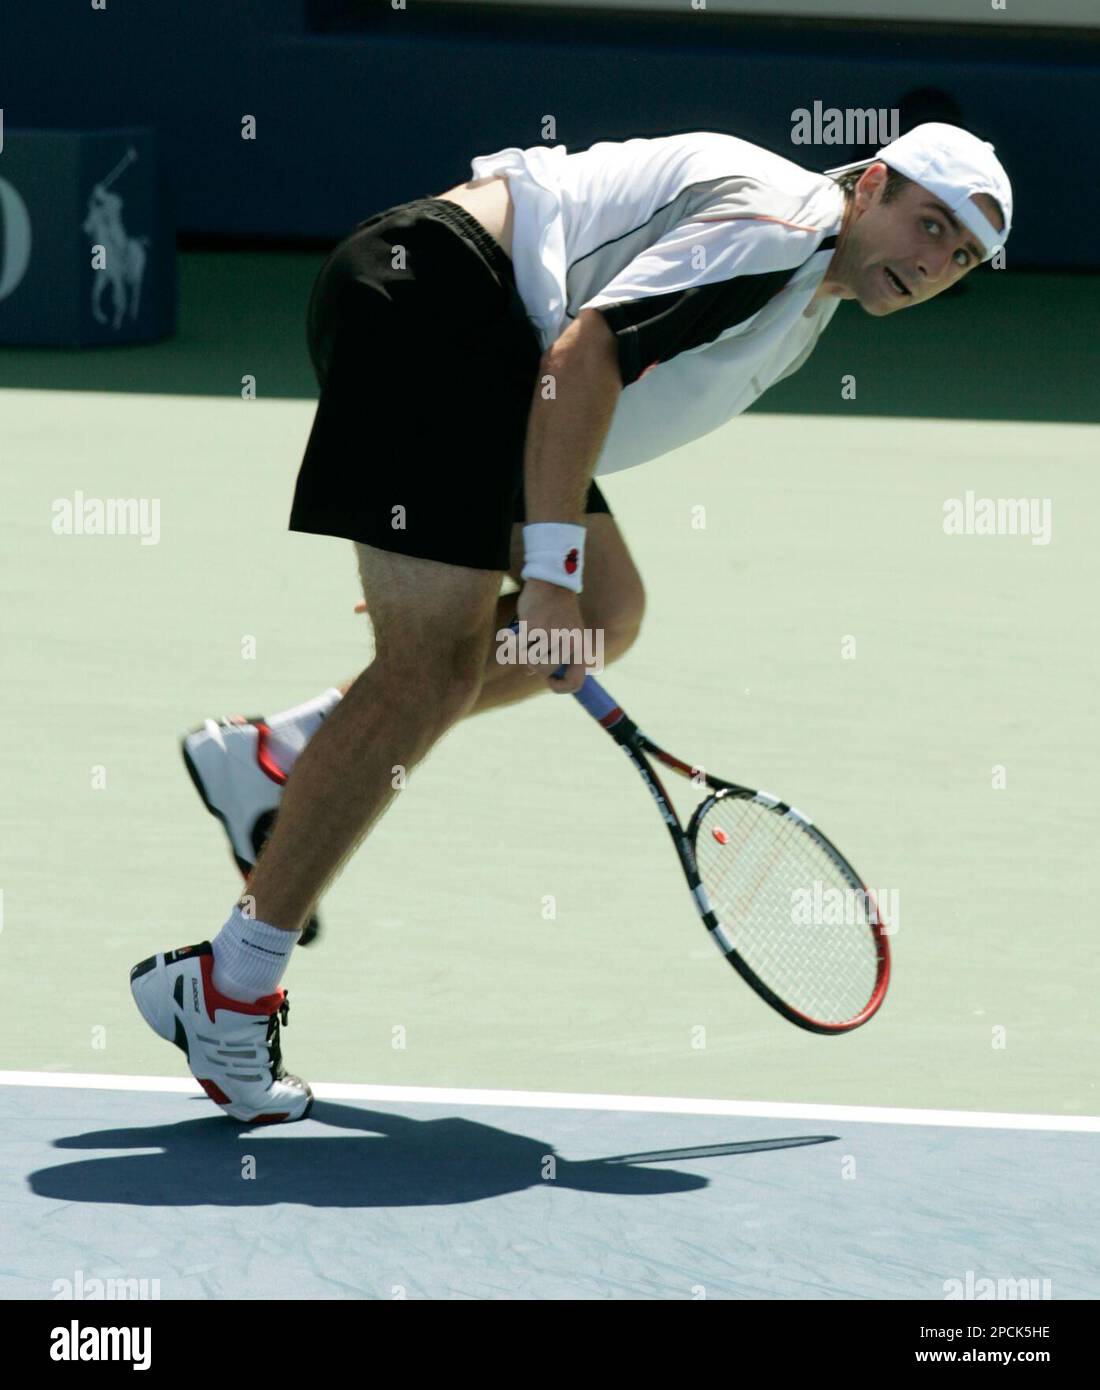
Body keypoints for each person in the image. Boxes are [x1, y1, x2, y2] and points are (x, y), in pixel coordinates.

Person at [131, 123, 1012, 1123]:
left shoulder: (808, 290)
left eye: (960, 257)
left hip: (484, 353)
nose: (934, 261)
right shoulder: (783, 223)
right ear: (873, 186)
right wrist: (538, 570)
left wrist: (513, 558)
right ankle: (229, 989)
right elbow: (583, 354)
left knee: (603, 611)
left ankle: (279, 760)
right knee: (433, 667)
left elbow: (570, 383)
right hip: (437, 302)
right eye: (928, 223)